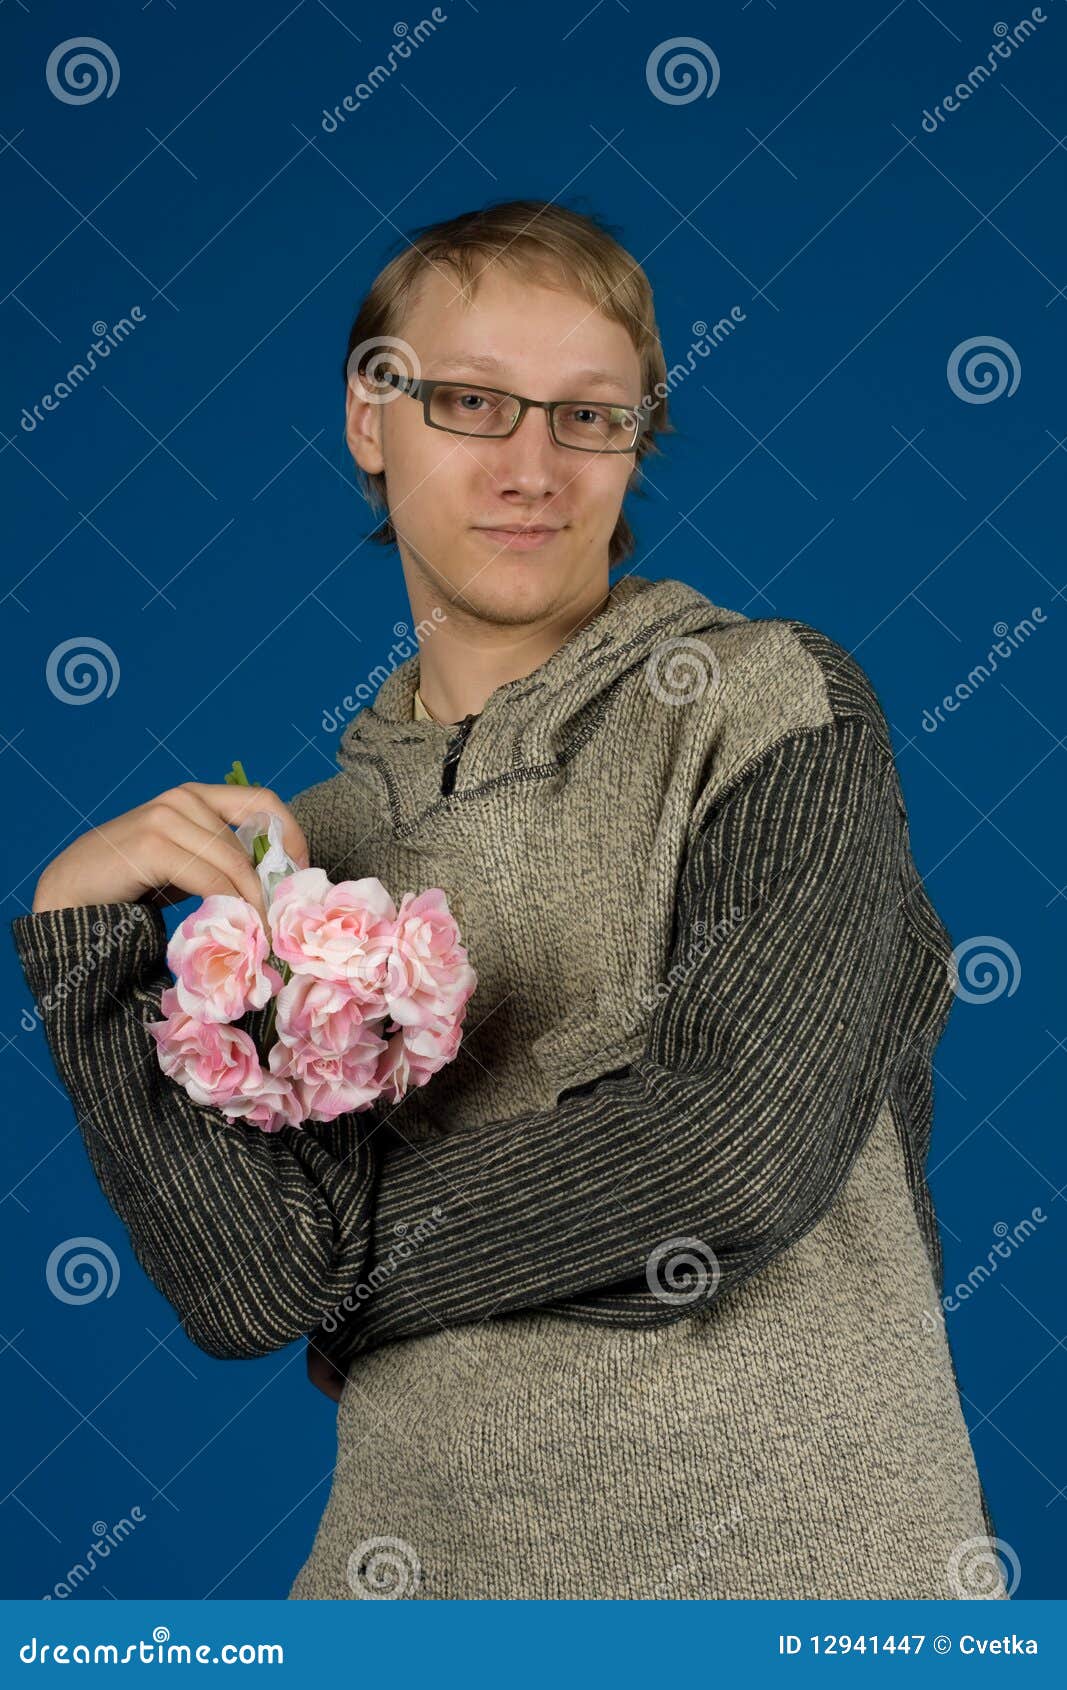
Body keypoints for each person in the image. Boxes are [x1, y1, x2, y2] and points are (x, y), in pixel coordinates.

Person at [10, 198, 1007, 1602]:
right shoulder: (306, 857)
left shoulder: (770, 702)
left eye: (588, 416)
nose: (533, 465)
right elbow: (243, 1294)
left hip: (796, 1584)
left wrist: (339, 1270)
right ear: (372, 417)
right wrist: (78, 942)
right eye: (473, 401)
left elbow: (727, 1158)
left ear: (636, 435)